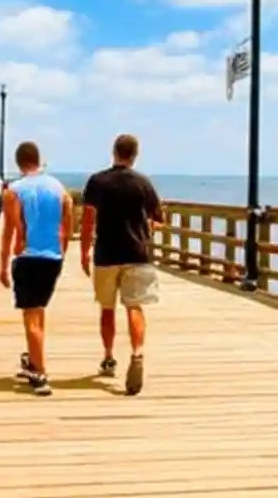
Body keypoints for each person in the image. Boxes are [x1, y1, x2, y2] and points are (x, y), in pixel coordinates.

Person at [80, 134, 163, 396]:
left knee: (107, 308)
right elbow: (158, 218)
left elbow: (88, 220)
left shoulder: (98, 181)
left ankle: (108, 356)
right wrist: (146, 229)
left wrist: (84, 251)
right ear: (135, 155)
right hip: (137, 253)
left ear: (114, 152)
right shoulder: (143, 183)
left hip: (106, 253)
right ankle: (137, 353)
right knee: (134, 306)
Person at [0, 141, 73, 396]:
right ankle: (33, 358)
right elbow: (68, 223)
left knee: (30, 315)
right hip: (53, 257)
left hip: (28, 257)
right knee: (39, 311)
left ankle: (40, 373)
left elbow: (10, 229)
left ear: (18, 162)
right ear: (38, 159)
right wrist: (63, 250)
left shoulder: (14, 190)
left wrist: (2, 263)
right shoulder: (58, 187)